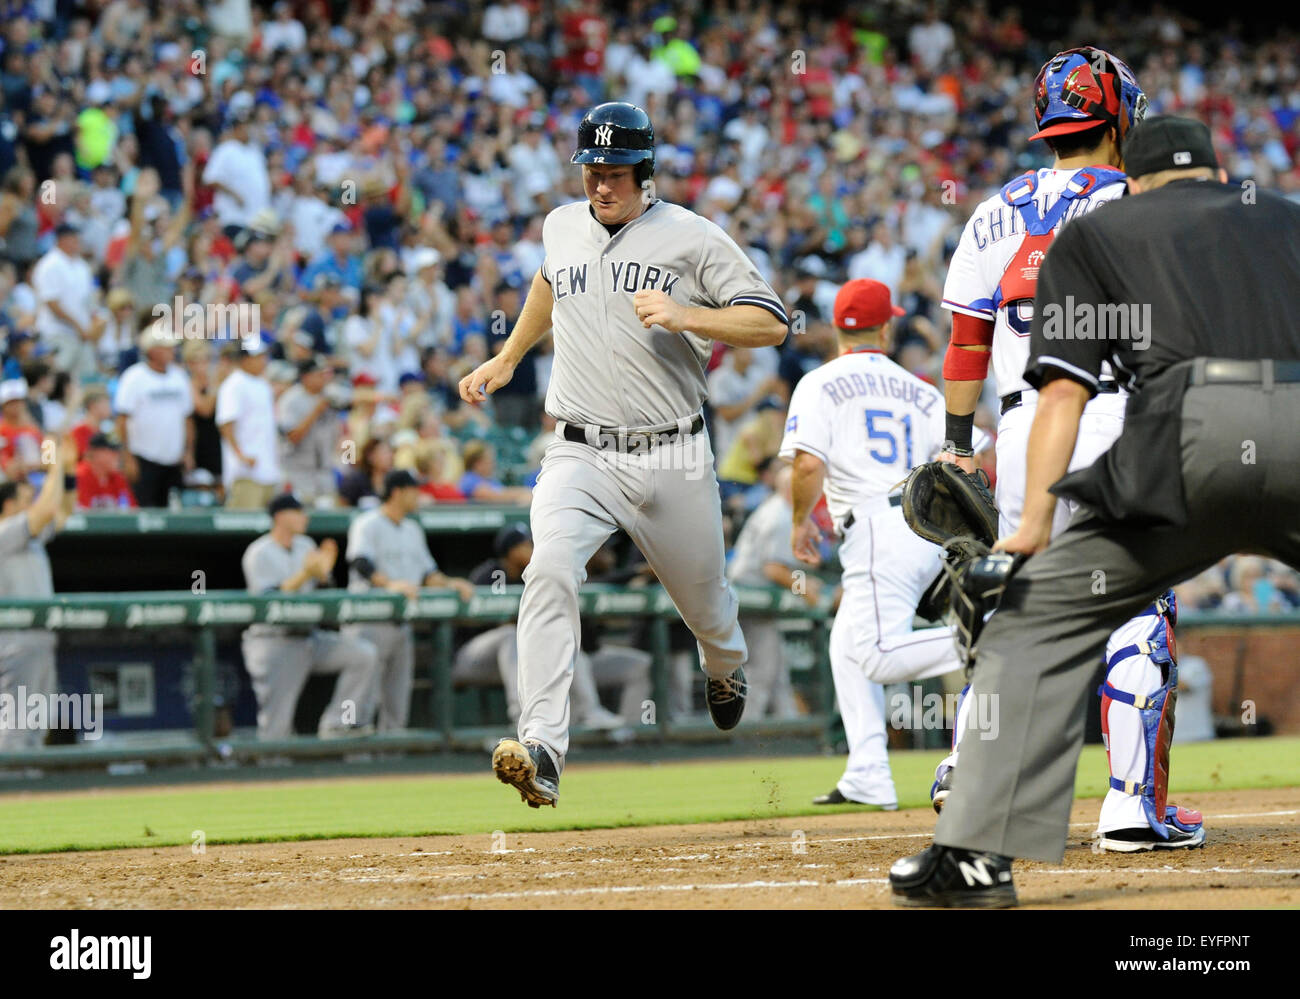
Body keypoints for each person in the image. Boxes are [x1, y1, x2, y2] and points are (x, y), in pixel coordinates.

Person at [890, 115, 1300, 908]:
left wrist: (1033, 531)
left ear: (1134, 180)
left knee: (1036, 618)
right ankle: (1134, 803)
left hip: (1191, 432)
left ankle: (978, 854)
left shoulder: (1099, 230)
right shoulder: (1281, 214)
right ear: (1218, 177)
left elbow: (1065, 393)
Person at [459, 102, 788, 808]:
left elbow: (771, 320)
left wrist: (690, 314)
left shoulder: (691, 237)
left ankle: (724, 662)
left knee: (707, 608)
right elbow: (551, 281)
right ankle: (543, 746)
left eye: (612, 172)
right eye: (591, 170)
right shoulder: (560, 225)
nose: (599, 184)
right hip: (580, 450)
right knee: (547, 567)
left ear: (644, 172)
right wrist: (510, 355)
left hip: (672, 452)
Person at [928, 48, 1202, 851]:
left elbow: (964, 344)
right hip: (1120, 414)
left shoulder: (992, 210)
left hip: (1019, 430)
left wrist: (954, 447)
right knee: (1137, 603)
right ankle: (1128, 805)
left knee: (1021, 607)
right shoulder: (1148, 199)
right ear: (1118, 117)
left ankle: (971, 777)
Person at [784, 278, 983, 808]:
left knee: (873, 656)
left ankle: (988, 644)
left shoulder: (819, 382)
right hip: (930, 529)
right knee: (845, 644)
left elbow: (806, 463)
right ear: (887, 326)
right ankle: (868, 771)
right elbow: (973, 457)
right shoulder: (920, 389)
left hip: (876, 526)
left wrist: (800, 521)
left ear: (835, 329)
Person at [239, 493, 378, 740]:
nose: (305, 517)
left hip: (310, 638)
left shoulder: (305, 546)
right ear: (280, 517)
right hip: (274, 642)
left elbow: (323, 594)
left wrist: (324, 574)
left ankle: (338, 724)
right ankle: (270, 770)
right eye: (298, 512)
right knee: (276, 729)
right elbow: (270, 602)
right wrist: (306, 573)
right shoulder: (258, 552)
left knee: (364, 655)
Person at [344, 469, 474, 732]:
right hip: (369, 620)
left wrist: (450, 582)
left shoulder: (413, 528)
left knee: (397, 698)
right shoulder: (367, 523)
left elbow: (427, 573)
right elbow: (360, 563)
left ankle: (390, 760)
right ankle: (355, 760)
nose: (419, 494)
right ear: (397, 492)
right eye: (413, 489)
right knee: (365, 697)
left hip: (402, 623)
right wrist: (391, 584)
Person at [725, 463, 812, 721]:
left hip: (752, 598)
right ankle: (743, 732)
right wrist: (807, 590)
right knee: (762, 671)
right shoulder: (780, 515)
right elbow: (773, 569)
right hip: (751, 599)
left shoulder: (779, 510)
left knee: (776, 670)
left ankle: (789, 728)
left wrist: (804, 581)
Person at [0, 441, 66, 750]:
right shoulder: (5, 532)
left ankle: (29, 793)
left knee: (37, 730)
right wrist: (54, 464)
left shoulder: (31, 535)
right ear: (8, 506)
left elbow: (63, 510)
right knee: (15, 730)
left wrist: (66, 469)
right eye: (27, 499)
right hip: (15, 642)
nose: (33, 504)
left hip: (40, 640)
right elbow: (47, 509)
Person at [114, 329, 194, 507]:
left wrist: (188, 451)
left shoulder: (179, 377)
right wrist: (127, 457)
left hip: (174, 460)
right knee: (144, 512)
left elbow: (187, 418)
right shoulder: (134, 377)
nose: (173, 351)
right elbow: (122, 420)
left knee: (173, 513)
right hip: (144, 458)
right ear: (152, 351)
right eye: (167, 348)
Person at [31, 221, 103, 379]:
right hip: (57, 333)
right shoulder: (49, 265)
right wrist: (78, 327)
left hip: (82, 334)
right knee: (58, 379)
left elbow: (89, 299)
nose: (78, 242)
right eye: (74, 238)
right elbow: (52, 303)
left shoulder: (82, 266)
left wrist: (94, 320)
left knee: (87, 378)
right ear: (62, 239)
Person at [217, 337, 281, 509]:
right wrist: (240, 455)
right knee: (243, 525)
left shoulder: (262, 384)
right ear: (244, 359)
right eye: (258, 357)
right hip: (246, 471)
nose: (263, 361)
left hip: (267, 468)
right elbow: (226, 424)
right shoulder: (234, 384)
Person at [277, 356, 339, 505]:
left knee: (328, 523)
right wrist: (316, 411)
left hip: (324, 472)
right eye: (319, 374)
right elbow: (293, 437)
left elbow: (354, 397)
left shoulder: (329, 395)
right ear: (305, 377)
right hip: (298, 472)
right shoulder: (290, 400)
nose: (324, 379)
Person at [75, 433, 135, 509]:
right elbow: (82, 516)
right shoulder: (79, 476)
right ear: (96, 453)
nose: (118, 456)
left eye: (118, 452)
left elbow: (131, 512)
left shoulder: (118, 478)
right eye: (112, 451)